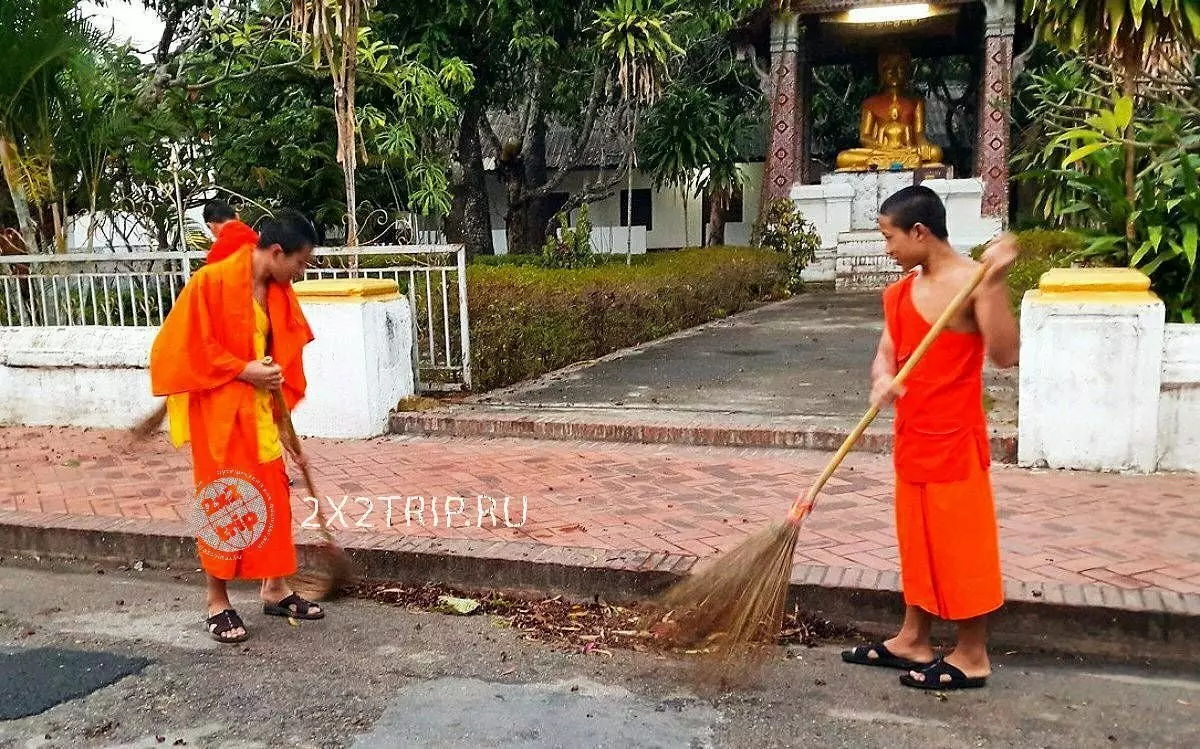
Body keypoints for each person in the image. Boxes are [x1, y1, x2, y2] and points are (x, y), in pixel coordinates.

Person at [841, 185, 1019, 690]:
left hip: (956, 441)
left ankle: (971, 653)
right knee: (917, 544)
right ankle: (913, 638)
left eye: (890, 237)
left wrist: (999, 282)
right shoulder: (899, 293)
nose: (887, 249)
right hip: (912, 437)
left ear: (919, 232)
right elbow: (888, 350)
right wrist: (882, 379)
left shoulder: (975, 283)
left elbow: (1006, 355)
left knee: (962, 547)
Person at [150, 209, 324, 644]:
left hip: (262, 412)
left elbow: (278, 357)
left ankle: (275, 587)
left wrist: (287, 432)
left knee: (273, 496)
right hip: (220, 414)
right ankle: (217, 601)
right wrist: (243, 370)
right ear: (277, 252)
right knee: (224, 503)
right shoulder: (211, 283)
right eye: (301, 263)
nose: (301, 274)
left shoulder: (278, 290)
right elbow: (184, 346)